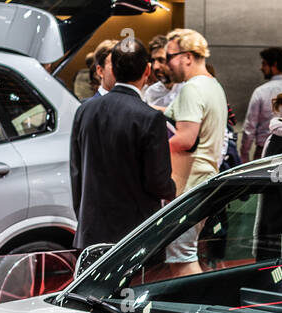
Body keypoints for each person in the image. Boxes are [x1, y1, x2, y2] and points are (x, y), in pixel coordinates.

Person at [69, 37, 175, 249]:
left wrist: (84, 217)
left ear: (113, 70)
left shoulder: (85, 110)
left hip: (91, 230)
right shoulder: (150, 117)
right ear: (147, 71)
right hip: (135, 234)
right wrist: (174, 189)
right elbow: (158, 182)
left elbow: (76, 172)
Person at [163, 28, 227, 274]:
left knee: (181, 257)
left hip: (189, 182)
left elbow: (185, 139)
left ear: (187, 57)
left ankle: (189, 309)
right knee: (185, 252)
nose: (168, 65)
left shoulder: (191, 88)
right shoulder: (212, 85)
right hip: (203, 178)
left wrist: (148, 149)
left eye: (170, 57)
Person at [241, 46, 282, 161]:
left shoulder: (261, 92)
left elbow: (249, 128)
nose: (261, 68)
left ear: (274, 65)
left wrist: (244, 155)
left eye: (264, 64)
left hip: (264, 153)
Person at [142, 35, 179, 110]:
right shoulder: (151, 92)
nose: (155, 67)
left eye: (161, 60)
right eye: (153, 61)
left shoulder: (187, 89)